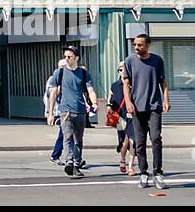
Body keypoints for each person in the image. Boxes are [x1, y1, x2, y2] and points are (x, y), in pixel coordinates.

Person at [123, 33, 170, 190]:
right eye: (135, 44)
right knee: (140, 142)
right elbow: (126, 84)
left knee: (156, 138)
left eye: (140, 45)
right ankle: (144, 172)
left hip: (154, 105)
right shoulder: (129, 61)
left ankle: (158, 173)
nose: (136, 47)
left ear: (147, 45)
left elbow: (163, 82)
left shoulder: (157, 61)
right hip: (137, 107)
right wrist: (128, 102)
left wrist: (165, 100)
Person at [47, 46, 97, 178]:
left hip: (80, 111)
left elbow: (90, 90)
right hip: (65, 110)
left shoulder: (84, 73)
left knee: (78, 140)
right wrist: (50, 112)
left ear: (76, 58)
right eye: (65, 56)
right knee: (67, 136)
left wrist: (95, 103)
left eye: (69, 57)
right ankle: (70, 161)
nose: (67, 59)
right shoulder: (60, 72)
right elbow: (53, 92)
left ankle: (76, 163)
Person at [108, 62, 134, 175]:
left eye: (124, 69)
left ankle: (131, 166)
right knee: (124, 141)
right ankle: (123, 159)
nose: (122, 72)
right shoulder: (115, 85)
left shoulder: (133, 84)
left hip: (132, 116)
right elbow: (110, 100)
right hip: (120, 117)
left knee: (133, 140)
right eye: (120, 70)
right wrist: (109, 108)